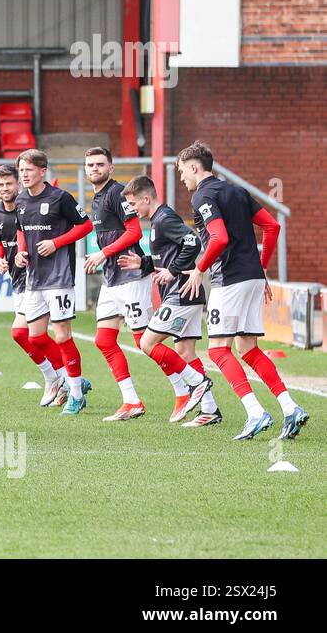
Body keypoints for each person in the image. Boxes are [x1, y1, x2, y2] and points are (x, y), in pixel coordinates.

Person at [176, 141, 308, 440]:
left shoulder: (203, 195)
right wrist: (261, 268)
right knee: (247, 348)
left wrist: (199, 269)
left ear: (195, 167)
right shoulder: (236, 190)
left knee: (217, 350)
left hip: (231, 279)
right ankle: (290, 408)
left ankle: (255, 412)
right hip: (251, 277)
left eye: (183, 171)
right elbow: (272, 226)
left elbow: (219, 238)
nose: (182, 178)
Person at [119, 175, 221, 426]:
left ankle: (197, 382)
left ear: (146, 199)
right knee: (185, 351)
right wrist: (144, 263)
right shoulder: (157, 222)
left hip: (181, 293)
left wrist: (173, 270)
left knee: (147, 342)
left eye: (133, 204)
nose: (131, 210)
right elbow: (169, 255)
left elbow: (193, 241)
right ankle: (210, 410)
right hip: (187, 294)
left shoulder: (164, 219)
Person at [13, 149, 94, 414]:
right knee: (35, 337)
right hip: (34, 279)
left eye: (28, 170)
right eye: (21, 170)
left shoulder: (60, 198)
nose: (24, 175)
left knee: (62, 335)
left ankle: (75, 395)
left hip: (59, 277)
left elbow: (85, 226)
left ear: (42, 171)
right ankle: (75, 380)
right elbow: (21, 230)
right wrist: (22, 252)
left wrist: (56, 242)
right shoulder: (21, 199)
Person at [81, 147, 154, 421]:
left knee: (146, 342)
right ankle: (131, 401)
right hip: (112, 279)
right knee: (104, 339)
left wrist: (103, 253)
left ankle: (191, 386)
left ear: (110, 168)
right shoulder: (98, 198)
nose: (94, 169)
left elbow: (134, 231)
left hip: (131, 276)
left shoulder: (117, 193)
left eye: (100, 164)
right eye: (90, 165)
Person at [0, 164, 61, 395]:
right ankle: (62, 379)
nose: (5, 188)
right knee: (32, 335)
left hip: (39, 279)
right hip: (17, 281)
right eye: (0, 184)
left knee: (23, 333)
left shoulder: (28, 207)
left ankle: (59, 378)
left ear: (18, 184)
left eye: (9, 183)